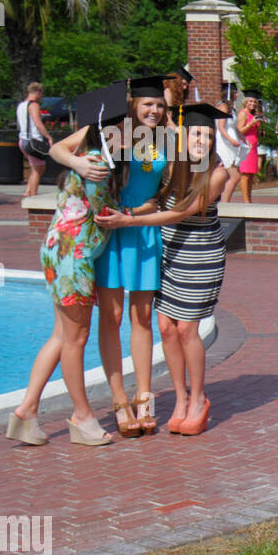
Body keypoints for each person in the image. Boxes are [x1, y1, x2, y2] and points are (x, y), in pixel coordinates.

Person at [97, 103, 231, 436]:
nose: (202, 140)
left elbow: (178, 213)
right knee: (166, 328)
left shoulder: (217, 173)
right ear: (184, 135)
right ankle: (180, 398)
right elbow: (149, 189)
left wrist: (128, 221)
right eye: (196, 133)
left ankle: (198, 399)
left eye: (208, 136)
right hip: (170, 253)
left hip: (200, 258)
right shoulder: (172, 163)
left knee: (187, 330)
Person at [8, 82, 128, 446]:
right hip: (74, 257)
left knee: (61, 335)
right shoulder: (98, 164)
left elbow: (59, 148)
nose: (129, 135)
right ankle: (82, 416)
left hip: (56, 249)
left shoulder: (87, 151)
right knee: (76, 338)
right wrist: (137, 213)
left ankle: (26, 412)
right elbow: (104, 215)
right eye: (124, 128)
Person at [90, 74, 171, 437]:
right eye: (147, 104)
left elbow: (163, 193)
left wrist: (137, 214)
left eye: (160, 105)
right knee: (112, 317)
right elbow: (63, 150)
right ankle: (119, 398)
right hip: (112, 230)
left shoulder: (167, 141)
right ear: (133, 106)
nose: (154, 110)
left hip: (142, 230)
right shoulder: (113, 136)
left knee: (143, 317)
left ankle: (144, 395)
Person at [17, 82, 52, 198]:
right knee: (38, 169)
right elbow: (38, 123)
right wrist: (48, 137)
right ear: (38, 92)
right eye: (41, 93)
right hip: (33, 141)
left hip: (23, 139)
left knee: (35, 167)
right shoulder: (33, 105)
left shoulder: (21, 105)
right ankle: (33, 195)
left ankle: (28, 191)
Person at [214, 98, 243, 205]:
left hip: (232, 146)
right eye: (235, 92)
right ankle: (224, 203)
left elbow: (234, 127)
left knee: (227, 175)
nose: (237, 95)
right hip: (224, 144)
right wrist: (231, 140)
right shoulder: (223, 106)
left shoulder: (232, 109)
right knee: (235, 176)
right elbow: (221, 127)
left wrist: (243, 138)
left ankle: (222, 201)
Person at [236, 91, 262, 204]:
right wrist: (251, 123)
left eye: (254, 102)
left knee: (251, 174)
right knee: (245, 174)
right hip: (246, 145)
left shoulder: (253, 114)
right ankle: (246, 201)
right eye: (250, 101)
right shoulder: (243, 114)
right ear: (245, 102)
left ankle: (249, 199)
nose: (253, 104)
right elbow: (239, 131)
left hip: (253, 146)